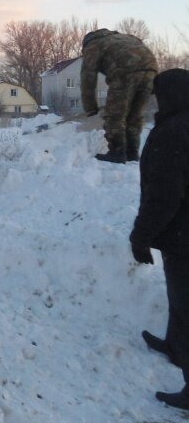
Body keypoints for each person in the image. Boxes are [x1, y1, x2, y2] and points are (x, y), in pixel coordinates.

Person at [128, 68, 189, 410]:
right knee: (179, 299)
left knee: (186, 304)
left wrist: (141, 236)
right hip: (183, 233)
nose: (156, 99)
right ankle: (176, 346)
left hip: (183, 236)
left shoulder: (174, 132)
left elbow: (164, 196)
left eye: (160, 93)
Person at [80, 28, 157, 163]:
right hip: (151, 69)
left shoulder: (93, 44)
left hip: (125, 71)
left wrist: (91, 107)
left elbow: (88, 77)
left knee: (115, 115)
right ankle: (132, 152)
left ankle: (117, 151)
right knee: (135, 115)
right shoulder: (124, 38)